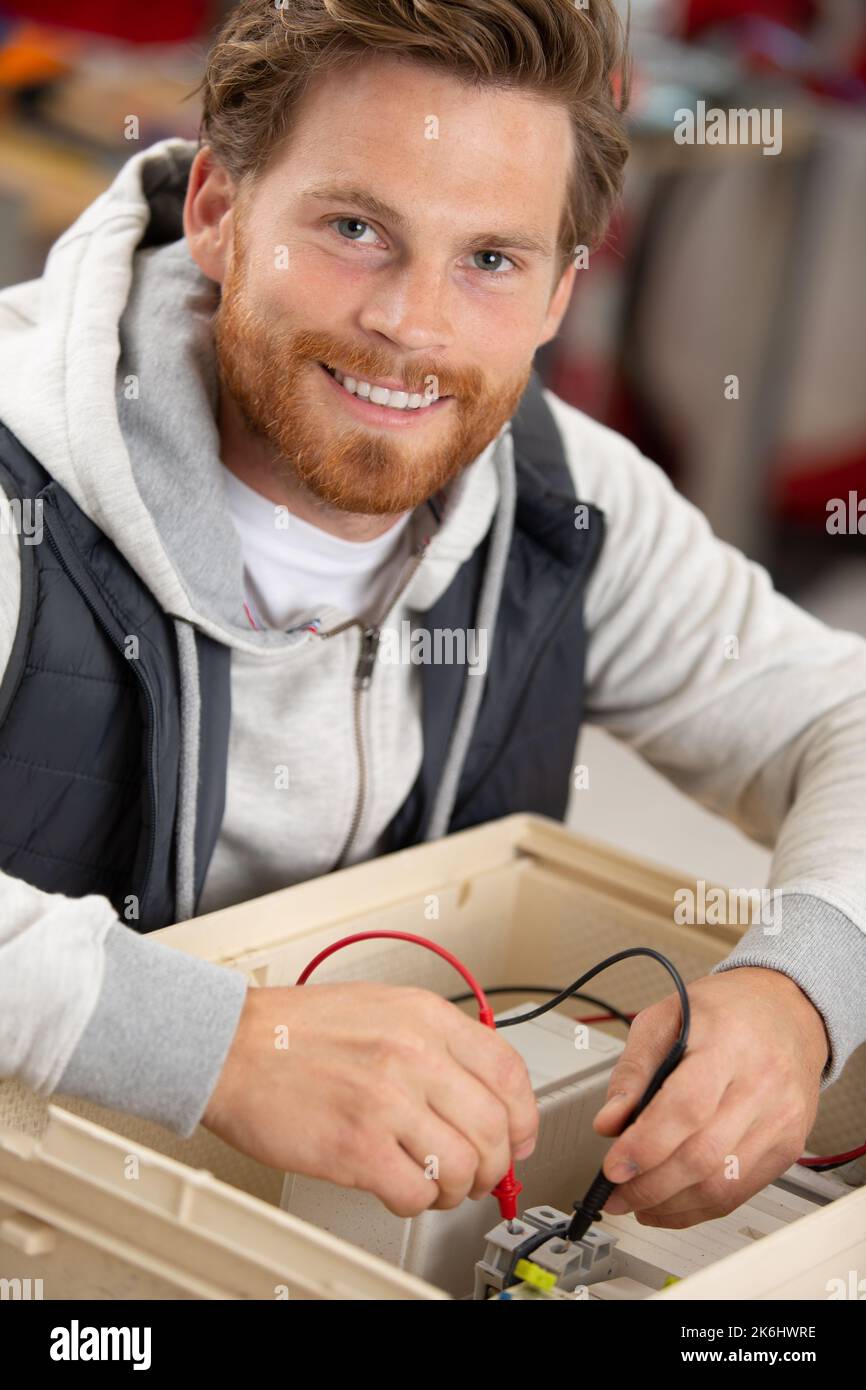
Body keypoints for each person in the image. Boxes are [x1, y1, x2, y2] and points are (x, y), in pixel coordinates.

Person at [0, 0, 863, 1233]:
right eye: (355, 228)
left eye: (490, 260)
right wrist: (227, 1045)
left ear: (561, 293)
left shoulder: (561, 498)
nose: (412, 327)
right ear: (216, 211)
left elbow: (840, 716)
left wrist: (801, 988)